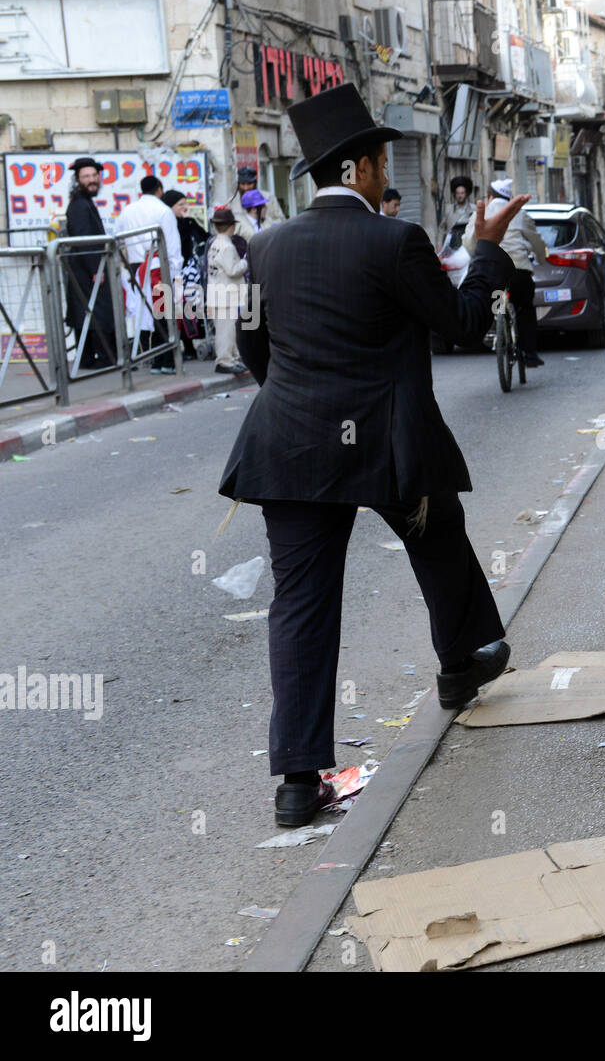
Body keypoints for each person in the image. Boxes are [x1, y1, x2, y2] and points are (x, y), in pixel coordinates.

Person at [218, 82, 529, 827]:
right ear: (359, 168)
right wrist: (486, 250)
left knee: (299, 605)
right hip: (384, 445)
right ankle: (462, 664)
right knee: (437, 535)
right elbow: (457, 323)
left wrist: (300, 401)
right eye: (382, 158)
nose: (387, 169)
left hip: (288, 446)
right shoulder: (394, 240)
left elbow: (253, 349)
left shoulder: (265, 246)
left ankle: (297, 782)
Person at [463, 177, 548, 368]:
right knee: (525, 308)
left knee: (497, 305)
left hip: (493, 272)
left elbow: (469, 241)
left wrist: (477, 258)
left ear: (490, 196)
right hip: (519, 271)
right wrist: (541, 258)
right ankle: (530, 354)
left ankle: (499, 332)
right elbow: (536, 240)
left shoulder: (481, 212)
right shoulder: (519, 213)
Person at [116, 175, 182, 374]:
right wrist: (176, 272)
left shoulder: (127, 211)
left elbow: (118, 238)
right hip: (156, 266)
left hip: (136, 267)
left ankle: (151, 358)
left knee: (143, 314)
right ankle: (166, 361)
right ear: (159, 189)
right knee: (163, 313)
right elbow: (172, 245)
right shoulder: (163, 211)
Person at [64, 156, 116, 368]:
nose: (91, 180)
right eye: (86, 176)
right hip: (87, 271)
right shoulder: (79, 205)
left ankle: (89, 357)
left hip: (88, 269)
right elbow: (84, 239)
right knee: (95, 312)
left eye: (94, 175)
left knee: (88, 312)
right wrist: (96, 268)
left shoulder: (84, 202)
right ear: (78, 179)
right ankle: (101, 357)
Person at [164, 189, 208, 360]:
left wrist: (190, 220)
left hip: (190, 275)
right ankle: (184, 346)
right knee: (178, 311)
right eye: (180, 205)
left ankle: (190, 346)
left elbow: (203, 236)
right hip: (175, 272)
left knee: (189, 310)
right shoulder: (170, 224)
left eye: (185, 204)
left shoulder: (188, 222)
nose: (184, 208)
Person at [206, 206, 247, 375]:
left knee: (225, 328)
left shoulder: (214, 243)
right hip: (227, 294)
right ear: (232, 226)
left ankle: (232, 357)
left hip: (216, 291)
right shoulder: (228, 247)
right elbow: (232, 270)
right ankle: (224, 361)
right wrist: (246, 261)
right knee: (227, 330)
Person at [228, 164, 285, 236]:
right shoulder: (232, 202)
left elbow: (282, 221)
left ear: (255, 182)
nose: (246, 188)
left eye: (249, 184)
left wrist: (267, 224)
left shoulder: (268, 198)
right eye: (243, 184)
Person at [442, 175, 475, 250]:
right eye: (457, 193)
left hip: (469, 248)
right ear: (455, 194)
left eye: (462, 193)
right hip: (452, 247)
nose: (460, 196)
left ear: (466, 194)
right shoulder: (448, 210)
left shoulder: (474, 209)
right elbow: (442, 229)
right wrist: (440, 246)